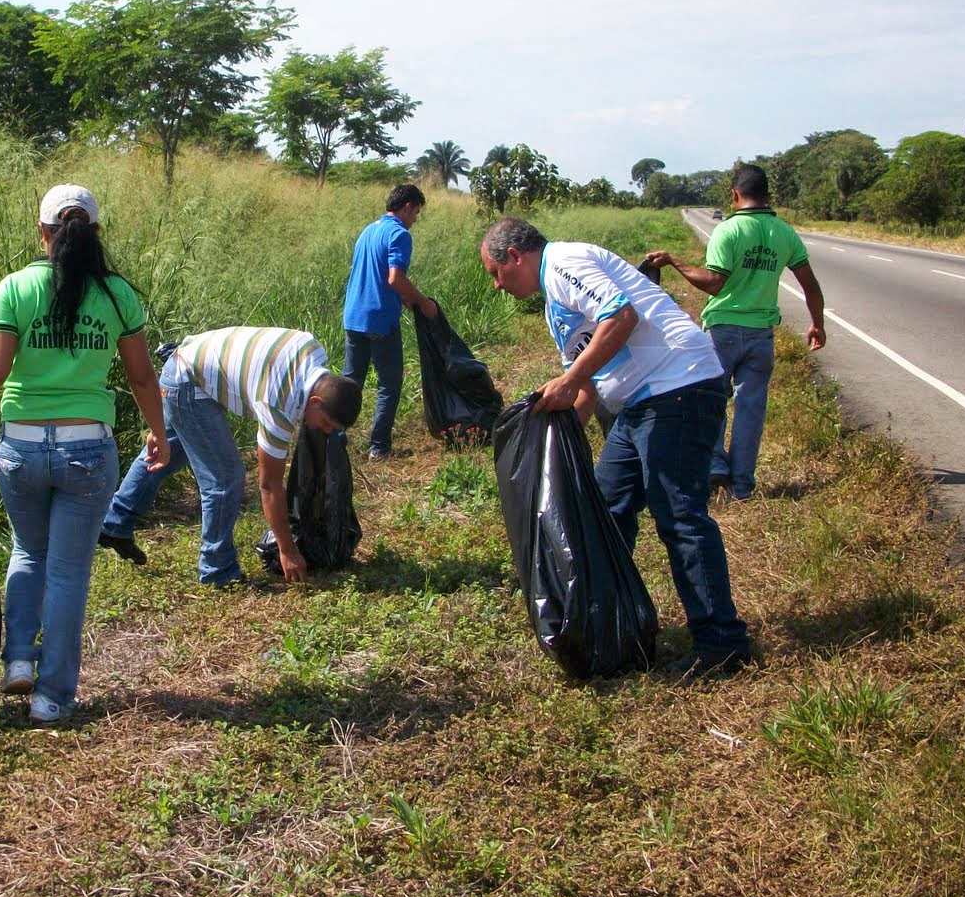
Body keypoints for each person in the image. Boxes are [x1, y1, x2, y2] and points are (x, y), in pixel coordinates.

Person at [480, 217, 752, 678]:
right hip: (642, 403)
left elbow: (620, 318)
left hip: (678, 389)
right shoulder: (555, 305)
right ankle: (606, 622)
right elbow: (588, 388)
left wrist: (568, 381)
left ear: (514, 256)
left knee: (680, 515)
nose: (497, 286)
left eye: (495, 273)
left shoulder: (563, 262)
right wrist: (554, 435)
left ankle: (722, 643)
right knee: (607, 505)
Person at [0, 184, 169, 724]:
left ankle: (19, 659)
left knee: (28, 552)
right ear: (95, 234)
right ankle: (53, 699)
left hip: (21, 446)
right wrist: (158, 432)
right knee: (69, 573)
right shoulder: (119, 294)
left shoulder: (14, 287)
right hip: (88, 449)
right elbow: (141, 376)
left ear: (43, 233)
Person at [98, 327, 362, 586]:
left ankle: (114, 525)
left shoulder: (313, 350)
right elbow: (269, 486)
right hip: (188, 381)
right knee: (225, 479)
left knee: (167, 453)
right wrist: (288, 550)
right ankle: (217, 570)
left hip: (187, 365)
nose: (326, 432)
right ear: (315, 401)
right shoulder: (278, 403)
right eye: (327, 423)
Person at [645, 163, 825, 500]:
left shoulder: (727, 232)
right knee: (751, 410)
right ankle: (742, 485)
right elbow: (810, 286)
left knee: (710, 402)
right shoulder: (784, 233)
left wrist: (674, 261)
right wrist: (818, 324)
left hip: (723, 331)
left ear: (734, 195)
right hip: (761, 336)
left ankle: (714, 468)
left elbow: (714, 283)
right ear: (768, 195)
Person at [342, 183, 437, 459]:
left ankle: (334, 439)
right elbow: (395, 278)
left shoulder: (367, 232)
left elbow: (376, 276)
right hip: (380, 320)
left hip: (353, 316)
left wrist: (405, 299)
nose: (415, 220)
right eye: (416, 213)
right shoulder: (399, 234)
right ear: (407, 207)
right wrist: (422, 303)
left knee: (351, 383)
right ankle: (379, 448)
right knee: (389, 384)